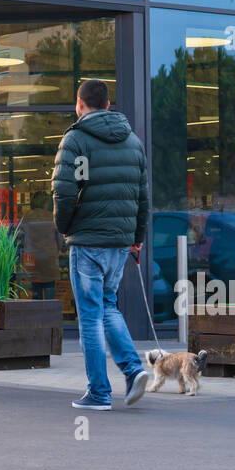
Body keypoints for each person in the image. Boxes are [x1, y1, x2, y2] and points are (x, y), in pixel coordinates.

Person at [52, 79, 151, 410]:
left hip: (88, 241)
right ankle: (133, 369)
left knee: (90, 317)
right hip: (119, 243)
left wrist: (66, 228)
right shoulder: (133, 142)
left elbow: (65, 192)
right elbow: (143, 197)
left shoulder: (76, 140)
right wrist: (137, 238)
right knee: (107, 306)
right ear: (108, 105)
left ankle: (99, 392)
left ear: (80, 104)